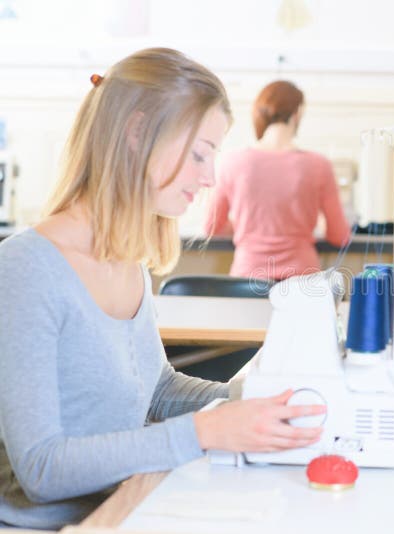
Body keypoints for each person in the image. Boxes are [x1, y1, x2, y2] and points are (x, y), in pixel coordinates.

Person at [0, 48, 325, 530]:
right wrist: (206, 429)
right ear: (136, 133)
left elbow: (155, 389)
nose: (210, 177)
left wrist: (254, 399)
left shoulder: (127, 260)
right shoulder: (25, 268)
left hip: (131, 501)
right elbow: (43, 471)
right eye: (199, 154)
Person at [204, 80, 350, 281]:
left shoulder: (232, 162)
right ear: (297, 113)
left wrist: (246, 226)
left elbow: (212, 227)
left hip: (247, 280)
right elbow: (340, 236)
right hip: (303, 281)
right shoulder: (318, 165)